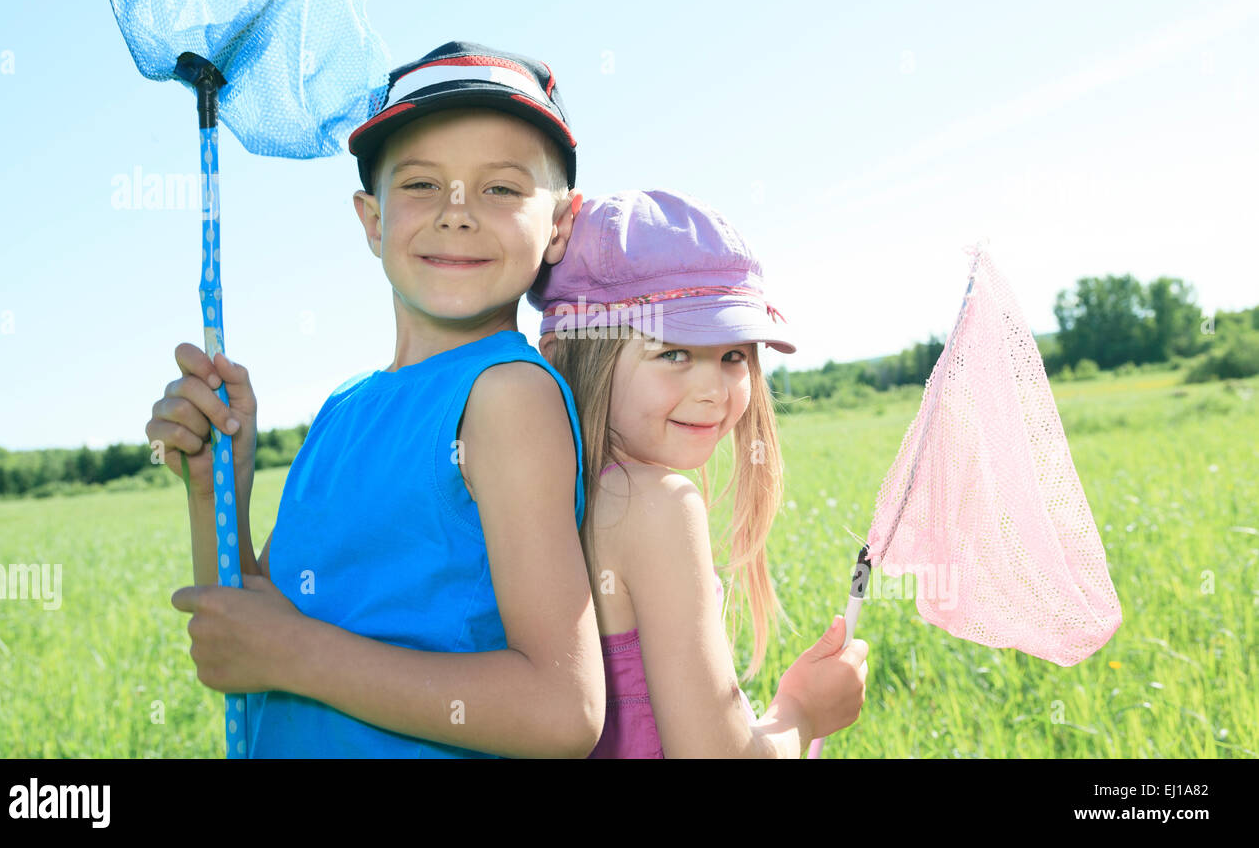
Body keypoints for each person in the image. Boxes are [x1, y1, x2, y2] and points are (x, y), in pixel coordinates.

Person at [146, 41, 606, 758]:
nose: (457, 213)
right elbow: (249, 631)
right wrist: (216, 491)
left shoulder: (505, 394)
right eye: (422, 184)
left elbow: (562, 711)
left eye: (502, 189)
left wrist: (297, 654)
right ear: (371, 219)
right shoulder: (346, 408)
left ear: (560, 224)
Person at [528, 188, 869, 757]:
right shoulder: (658, 506)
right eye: (673, 354)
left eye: (734, 356)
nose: (713, 391)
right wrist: (802, 713)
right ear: (579, 353)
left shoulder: (541, 495)